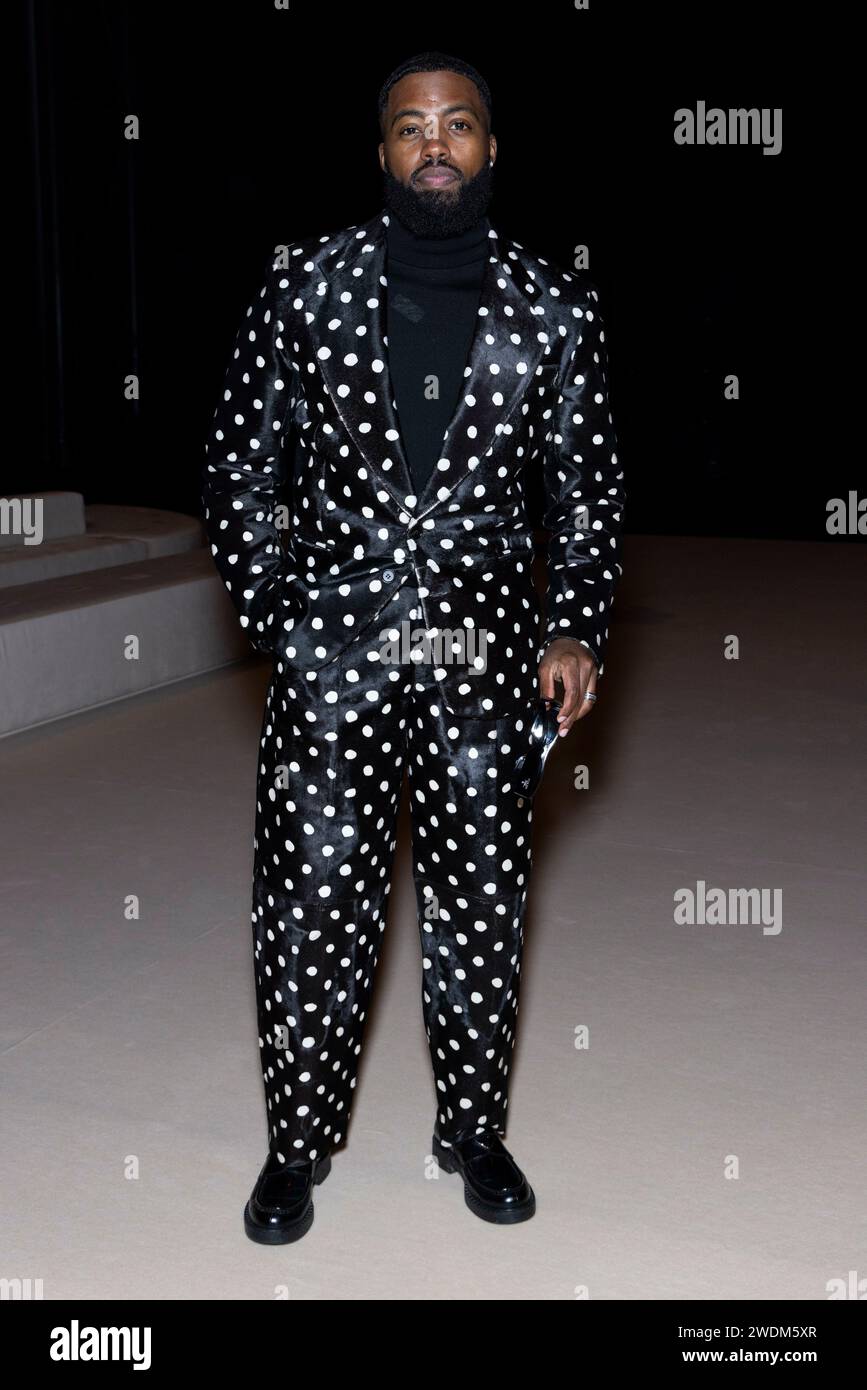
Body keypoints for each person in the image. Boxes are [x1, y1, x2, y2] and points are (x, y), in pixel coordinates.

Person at [202, 50, 625, 1243]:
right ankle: (296, 1144)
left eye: (457, 125)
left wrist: (574, 624)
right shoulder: (306, 290)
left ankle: (473, 1130)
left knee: (482, 899)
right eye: (408, 127)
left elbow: (584, 495)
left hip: (486, 662)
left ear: (493, 148)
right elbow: (239, 466)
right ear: (381, 152)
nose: (433, 143)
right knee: (312, 897)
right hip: (334, 654)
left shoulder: (557, 309)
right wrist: (280, 613)